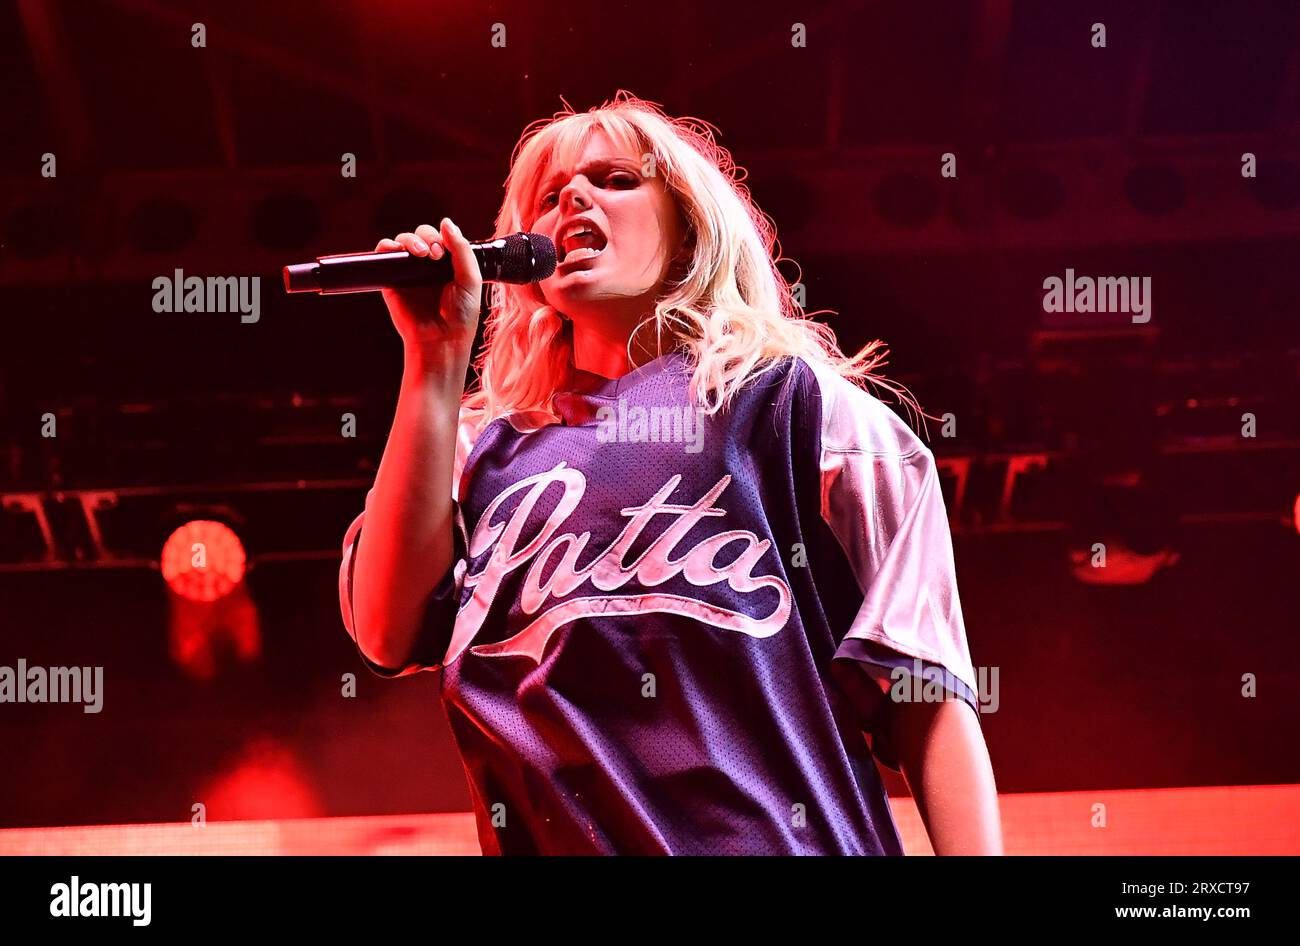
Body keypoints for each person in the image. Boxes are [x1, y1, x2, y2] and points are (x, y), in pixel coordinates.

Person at [339, 92, 1002, 855]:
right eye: (548, 198)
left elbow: (926, 693)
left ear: (691, 229)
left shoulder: (801, 411)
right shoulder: (479, 454)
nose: (575, 199)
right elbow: (387, 633)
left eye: (617, 179)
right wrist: (433, 360)